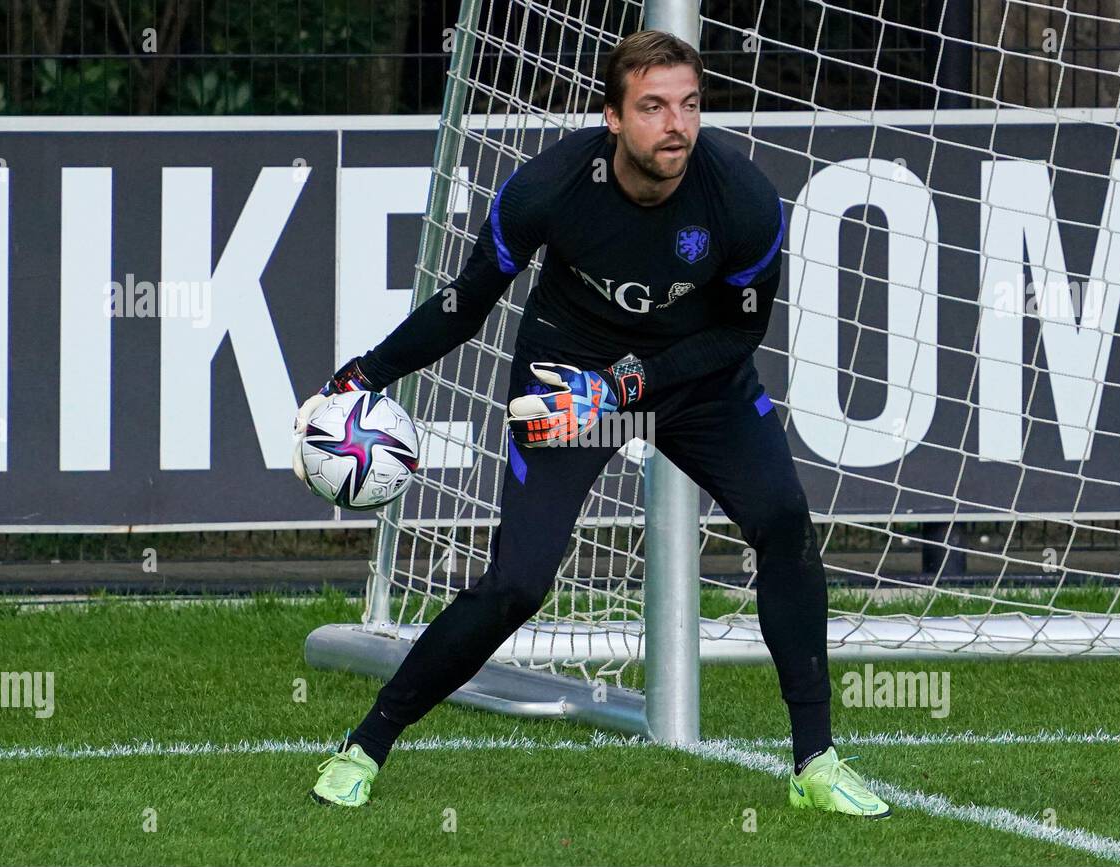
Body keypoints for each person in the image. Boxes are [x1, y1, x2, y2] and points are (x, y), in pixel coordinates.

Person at [297, 29, 890, 818]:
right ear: (612, 117)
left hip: (694, 381)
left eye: (688, 104)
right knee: (517, 583)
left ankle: (815, 760)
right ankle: (365, 746)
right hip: (565, 381)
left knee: (784, 521)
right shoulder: (548, 188)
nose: (675, 125)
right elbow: (463, 306)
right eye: (652, 107)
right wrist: (364, 373)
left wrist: (635, 382)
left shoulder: (742, 201)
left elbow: (740, 334)